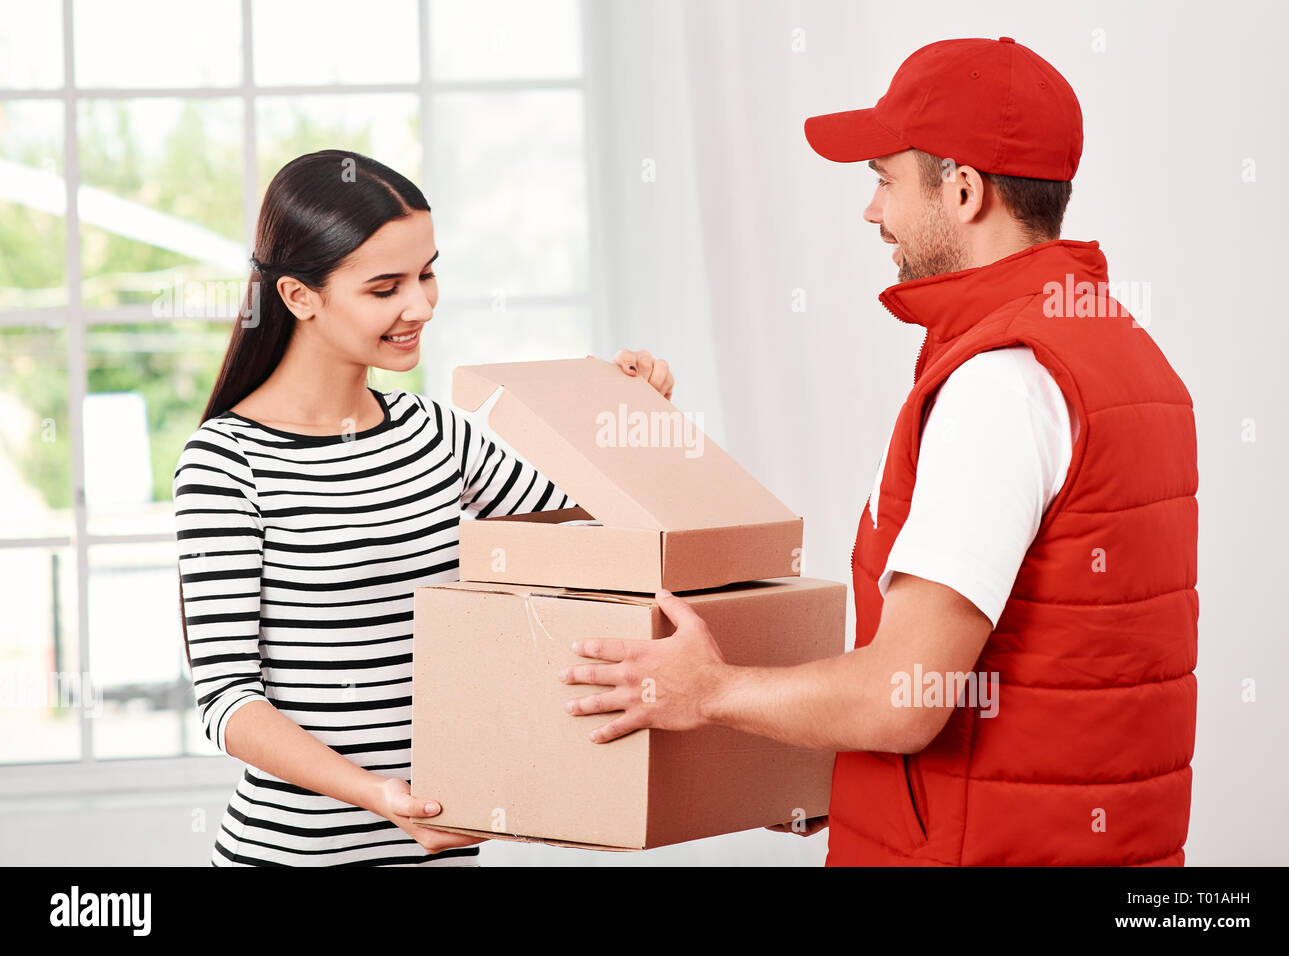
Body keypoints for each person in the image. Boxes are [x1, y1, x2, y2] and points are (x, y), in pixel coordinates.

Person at [557, 37, 1198, 866]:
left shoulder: (1003, 380)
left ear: (962, 189)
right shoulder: (1118, 351)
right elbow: (1050, 663)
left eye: (886, 179)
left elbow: (904, 698)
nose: (872, 212)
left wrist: (710, 690)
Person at [173, 149, 674, 866]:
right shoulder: (228, 462)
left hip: (440, 852)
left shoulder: (436, 433)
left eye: (427, 273)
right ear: (299, 296)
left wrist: (636, 420)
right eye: (385, 288)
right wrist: (379, 795)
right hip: (290, 858)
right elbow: (227, 703)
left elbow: (603, 536)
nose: (421, 306)